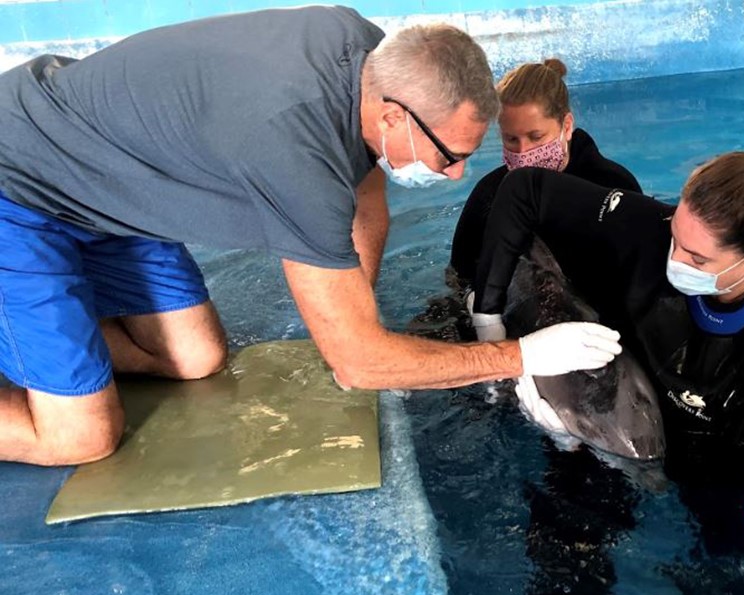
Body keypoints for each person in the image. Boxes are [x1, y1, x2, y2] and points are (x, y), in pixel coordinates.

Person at [0, 6, 622, 467]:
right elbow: (358, 365)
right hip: (18, 186)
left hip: (106, 188)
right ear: (392, 116)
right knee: (83, 438)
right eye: (448, 156)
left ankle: (36, 341)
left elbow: (367, 196)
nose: (458, 175)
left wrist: (354, 308)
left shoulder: (368, 55)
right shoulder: (294, 157)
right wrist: (519, 356)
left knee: (195, 359)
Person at [468, 149, 744, 595]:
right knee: (568, 586)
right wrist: (488, 323)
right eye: (676, 237)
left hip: (706, 457)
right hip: (611, 410)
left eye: (696, 258)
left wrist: (642, 470)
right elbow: (522, 190)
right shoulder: (650, 230)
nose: (673, 261)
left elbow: (733, 470)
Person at [448, 58, 641, 286]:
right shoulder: (489, 193)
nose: (523, 151)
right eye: (511, 139)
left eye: (536, 137)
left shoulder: (613, 186)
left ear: (566, 126)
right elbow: (459, 276)